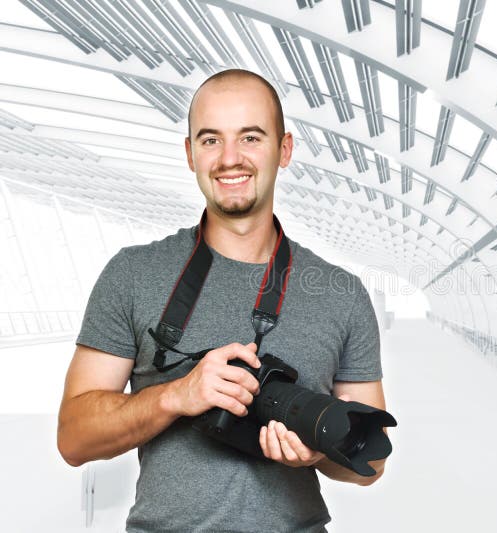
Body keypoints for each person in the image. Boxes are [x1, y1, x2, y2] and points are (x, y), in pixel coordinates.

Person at [57, 69, 388, 532]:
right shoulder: (133, 274)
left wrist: (317, 452)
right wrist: (177, 395)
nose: (230, 159)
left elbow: (369, 463)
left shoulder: (341, 292)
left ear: (284, 149)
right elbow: (74, 437)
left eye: (250, 137)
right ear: (190, 154)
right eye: (211, 140)